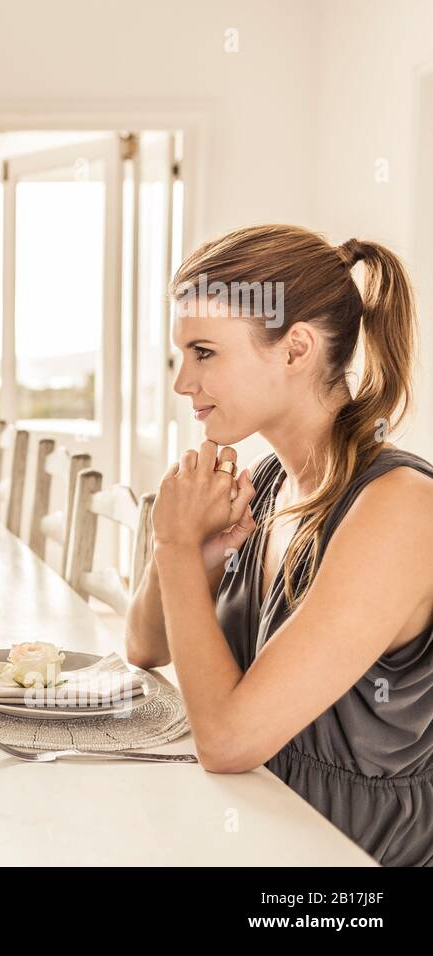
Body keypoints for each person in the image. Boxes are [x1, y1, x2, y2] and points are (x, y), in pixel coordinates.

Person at [127, 224, 433, 866]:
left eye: (204, 352)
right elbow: (146, 646)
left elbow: (230, 741)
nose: (185, 383)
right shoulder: (267, 484)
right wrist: (188, 556)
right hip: (256, 830)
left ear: (295, 350)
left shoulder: (399, 505)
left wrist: (181, 549)